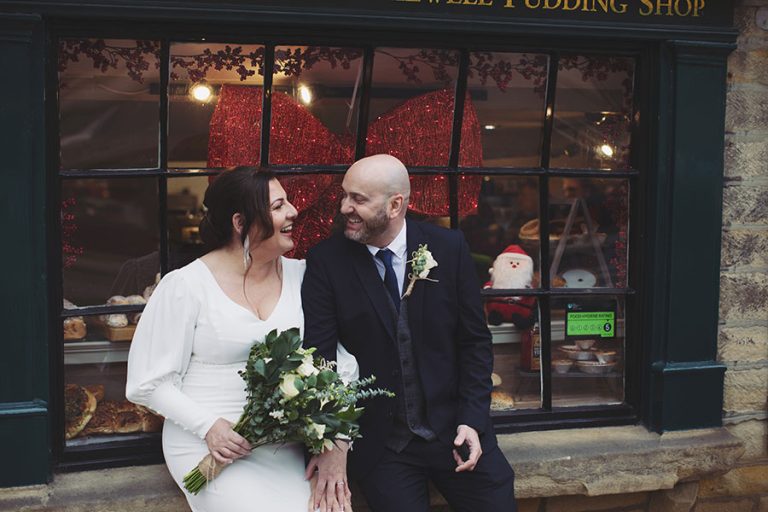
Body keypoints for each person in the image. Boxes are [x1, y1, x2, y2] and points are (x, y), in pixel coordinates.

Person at [126, 166, 356, 512]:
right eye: (278, 206)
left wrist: (336, 442)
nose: (293, 211)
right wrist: (210, 427)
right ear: (240, 222)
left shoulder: (305, 276)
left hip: (283, 446)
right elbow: (147, 383)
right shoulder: (186, 286)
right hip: (208, 444)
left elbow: (342, 364)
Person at [302, 154, 517, 512]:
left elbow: (475, 343)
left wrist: (472, 421)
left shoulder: (449, 248)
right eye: (344, 196)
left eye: (358, 199)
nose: (344, 208)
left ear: (396, 204)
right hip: (384, 445)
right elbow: (319, 359)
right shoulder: (327, 260)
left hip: (454, 429)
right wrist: (331, 443)